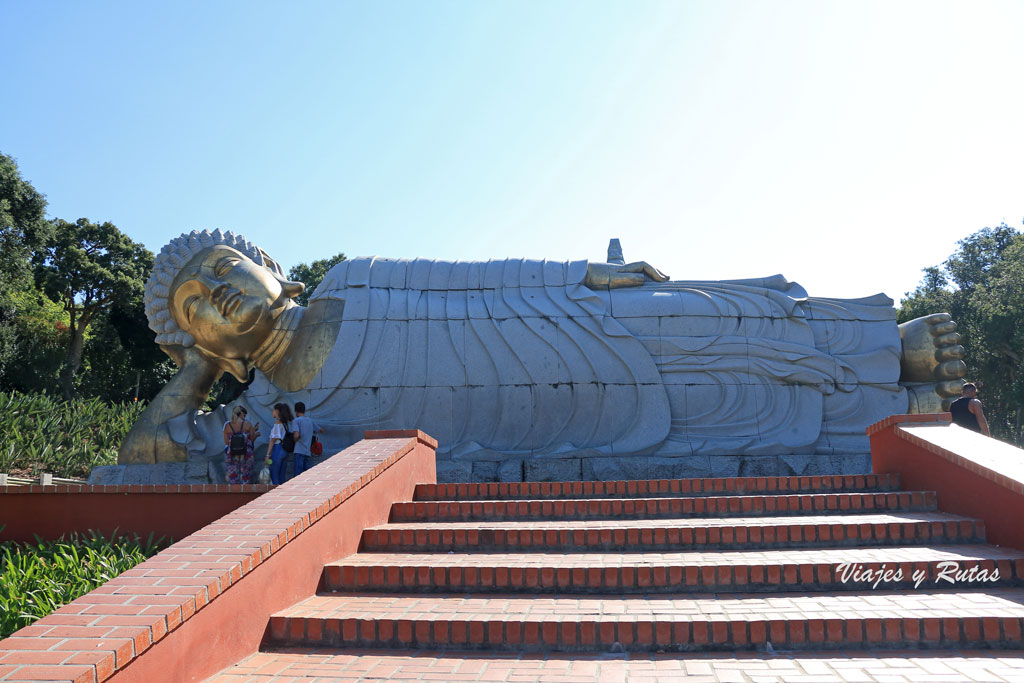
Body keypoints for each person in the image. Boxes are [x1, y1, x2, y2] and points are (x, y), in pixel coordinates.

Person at [222, 405, 259, 484]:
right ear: (241, 414)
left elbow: (226, 442)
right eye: (244, 414)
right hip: (246, 453)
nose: (245, 416)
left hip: (232, 453)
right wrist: (256, 434)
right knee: (245, 475)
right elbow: (252, 439)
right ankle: (245, 494)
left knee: (233, 475)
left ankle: (234, 494)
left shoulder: (227, 425)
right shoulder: (247, 424)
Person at [265, 403, 299, 485]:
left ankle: (275, 493)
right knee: (282, 475)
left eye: (273, 410)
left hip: (278, 449)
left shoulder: (277, 423)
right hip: (285, 450)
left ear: (277, 411)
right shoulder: (286, 423)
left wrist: (267, 455)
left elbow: (272, 440)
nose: (272, 412)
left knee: (274, 474)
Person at [292, 402, 321, 477]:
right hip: (307, 452)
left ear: (295, 411)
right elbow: (320, 430)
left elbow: (296, 435)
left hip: (299, 451)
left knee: (297, 476)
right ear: (305, 411)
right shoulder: (310, 420)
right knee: (306, 476)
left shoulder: (296, 421)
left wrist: (295, 440)